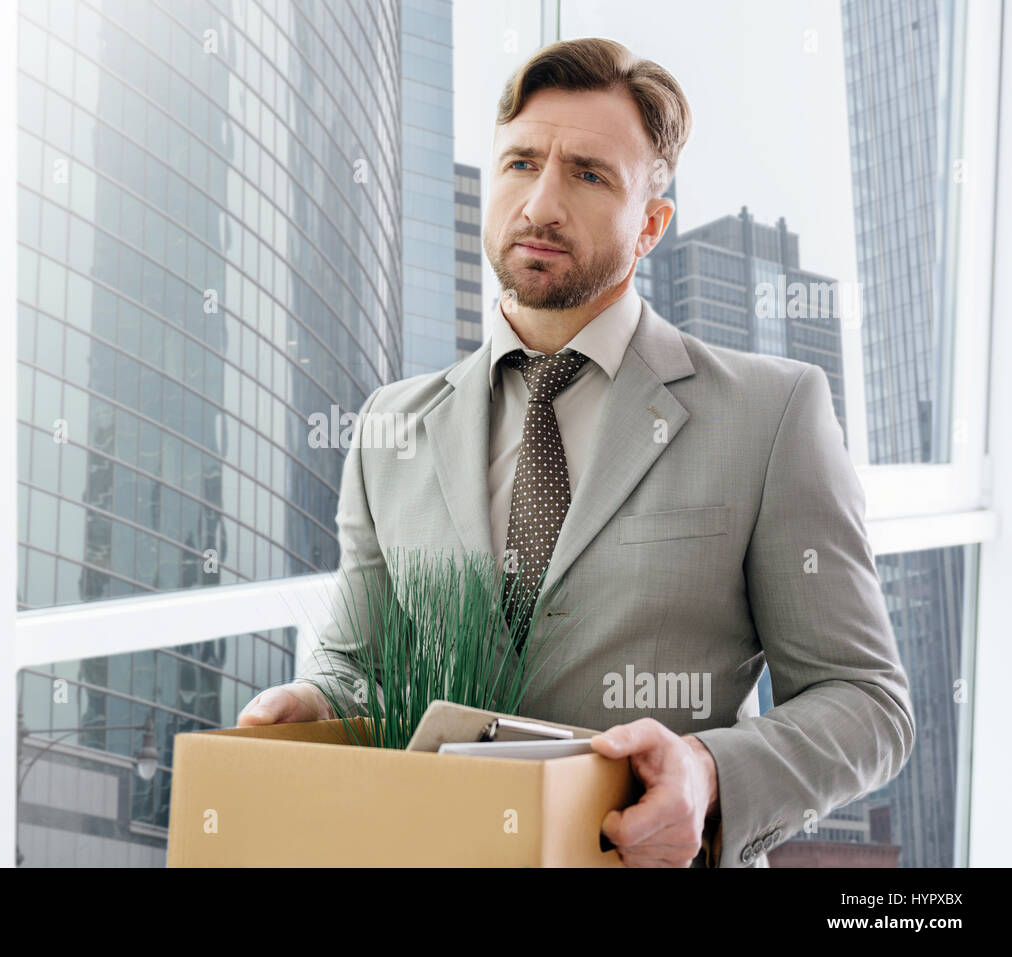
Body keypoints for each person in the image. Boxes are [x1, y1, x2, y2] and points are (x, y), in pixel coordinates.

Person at [238, 37, 913, 868]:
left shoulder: (772, 413)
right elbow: (357, 667)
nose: (541, 204)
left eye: (589, 175)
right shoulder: (390, 428)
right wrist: (310, 703)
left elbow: (869, 701)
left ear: (652, 225)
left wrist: (707, 773)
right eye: (521, 163)